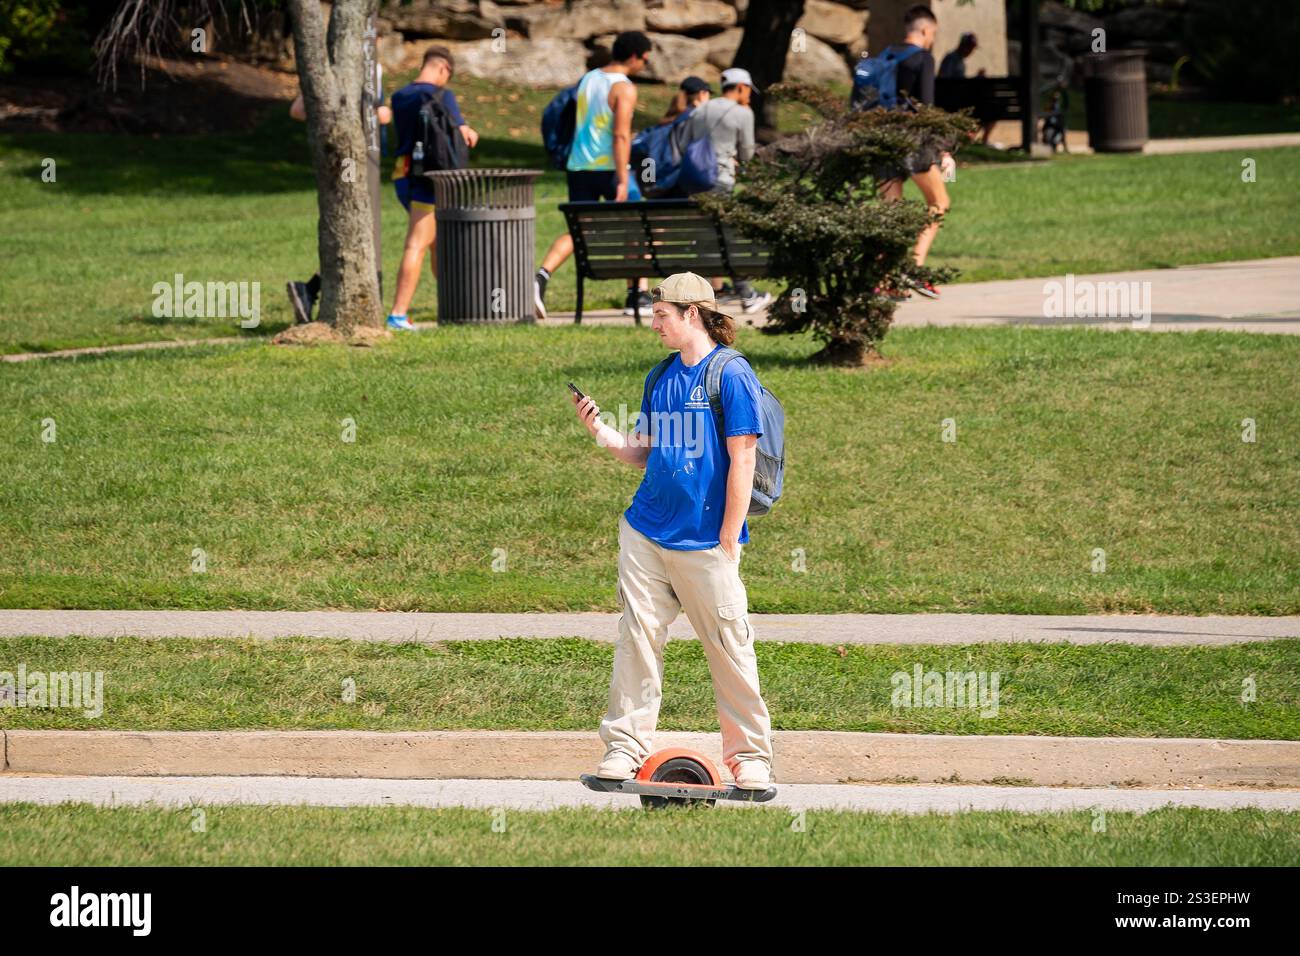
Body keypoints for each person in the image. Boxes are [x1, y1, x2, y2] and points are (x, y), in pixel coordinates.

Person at [570, 271, 774, 791]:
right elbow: (644, 453)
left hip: (707, 541)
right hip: (645, 531)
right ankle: (623, 749)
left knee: (729, 647)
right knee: (636, 640)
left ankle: (750, 758)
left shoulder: (729, 375)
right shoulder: (661, 376)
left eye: (662, 315)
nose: (654, 324)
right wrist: (601, 431)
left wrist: (729, 537)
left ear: (692, 314)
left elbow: (743, 458)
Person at [533, 31, 653, 321]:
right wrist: (623, 178)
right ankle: (636, 294)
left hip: (578, 167)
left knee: (579, 229)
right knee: (637, 228)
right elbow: (620, 135)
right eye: (646, 59)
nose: (645, 65)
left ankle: (539, 278)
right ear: (635, 56)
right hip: (609, 170)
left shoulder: (589, 78)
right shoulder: (624, 88)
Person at [383, 46, 480, 332]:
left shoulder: (400, 97)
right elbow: (462, 133)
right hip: (429, 179)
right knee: (417, 243)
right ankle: (398, 314)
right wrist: (471, 133)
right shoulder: (441, 95)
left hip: (402, 174)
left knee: (438, 243)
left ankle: (453, 306)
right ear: (443, 69)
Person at [285, 90, 392, 324]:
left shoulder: (366, 66)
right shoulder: (344, 69)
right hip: (348, 159)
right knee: (352, 228)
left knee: (353, 231)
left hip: (352, 159)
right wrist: (373, 115)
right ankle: (312, 289)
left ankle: (311, 289)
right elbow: (298, 110)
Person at [876, 5, 955, 299]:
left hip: (881, 142)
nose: (933, 38)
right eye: (933, 33)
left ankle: (885, 280)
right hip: (912, 142)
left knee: (891, 213)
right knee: (939, 202)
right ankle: (913, 269)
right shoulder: (923, 58)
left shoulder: (885, 55)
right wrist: (943, 150)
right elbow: (927, 109)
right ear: (925, 30)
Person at [681, 67, 770, 314]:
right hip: (721, 181)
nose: (749, 96)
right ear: (740, 87)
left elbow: (683, 145)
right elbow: (748, 154)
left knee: (704, 239)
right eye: (748, 91)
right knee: (725, 238)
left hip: (696, 182)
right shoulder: (743, 113)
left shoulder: (699, 111)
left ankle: (696, 299)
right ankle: (747, 293)